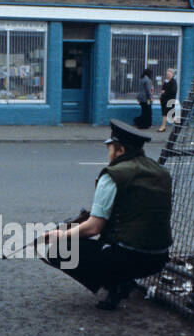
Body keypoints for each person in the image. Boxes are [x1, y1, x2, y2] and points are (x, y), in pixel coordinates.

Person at [38, 120, 173, 310]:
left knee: (59, 250)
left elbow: (94, 227)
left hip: (129, 258)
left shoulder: (112, 175)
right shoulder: (161, 172)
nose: (108, 152)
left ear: (121, 151)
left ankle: (114, 285)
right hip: (158, 259)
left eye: (110, 148)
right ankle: (122, 280)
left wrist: (58, 235)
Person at [157, 68, 178, 133]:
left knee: (166, 114)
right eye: (167, 74)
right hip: (165, 100)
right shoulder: (166, 81)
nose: (168, 75)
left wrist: (165, 92)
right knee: (170, 115)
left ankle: (163, 127)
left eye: (169, 74)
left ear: (172, 74)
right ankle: (178, 126)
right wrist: (162, 93)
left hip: (169, 101)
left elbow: (173, 91)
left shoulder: (173, 82)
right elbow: (163, 89)